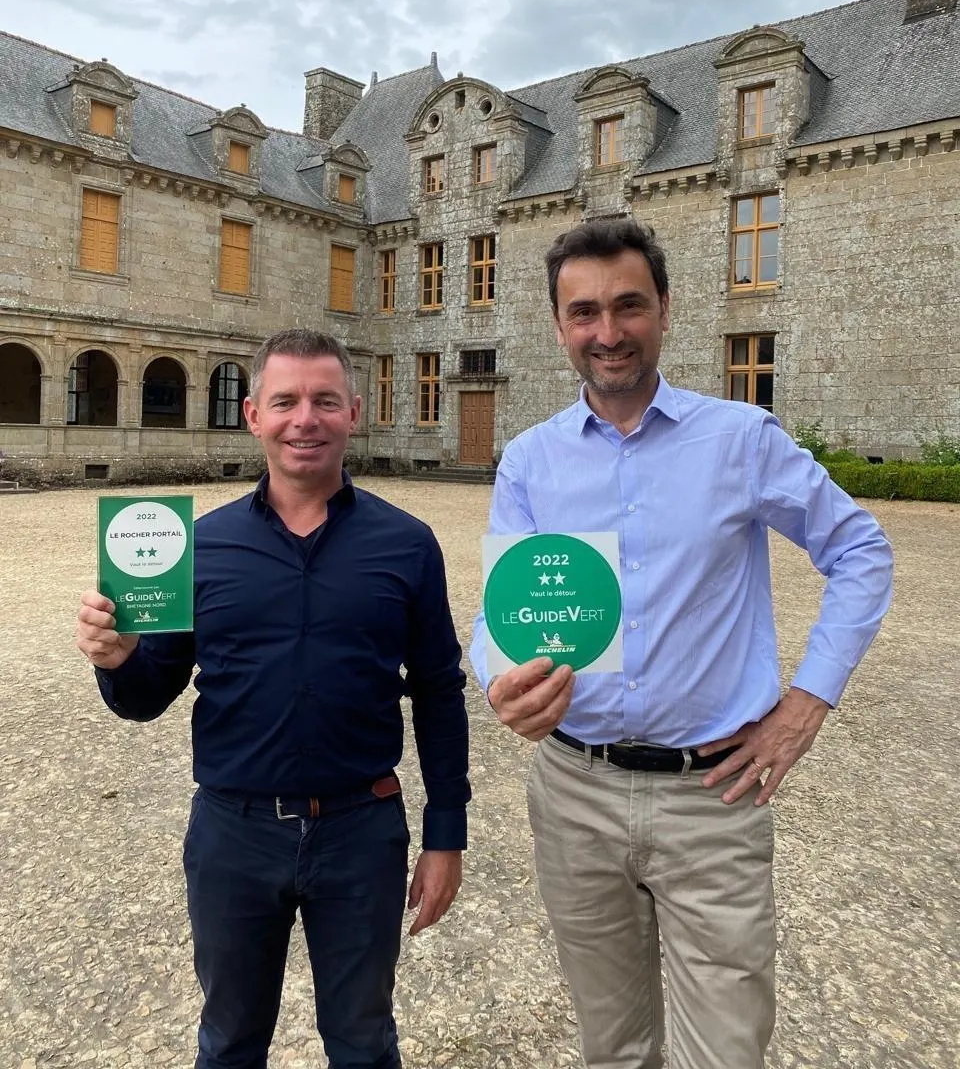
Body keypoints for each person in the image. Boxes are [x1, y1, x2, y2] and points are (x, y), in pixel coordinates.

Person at [470, 218, 893, 1069]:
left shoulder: (738, 439)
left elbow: (861, 551)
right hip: (574, 789)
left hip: (713, 798)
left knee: (726, 1051)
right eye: (583, 312)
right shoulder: (529, 461)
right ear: (558, 326)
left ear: (664, 309)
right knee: (614, 1045)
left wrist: (807, 702)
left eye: (629, 305)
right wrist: (497, 678)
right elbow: (501, 611)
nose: (608, 332)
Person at [76, 328, 470, 1069]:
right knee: (229, 1041)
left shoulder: (408, 543)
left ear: (353, 411)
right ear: (254, 414)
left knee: (362, 1043)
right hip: (233, 833)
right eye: (285, 401)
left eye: (324, 400)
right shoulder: (202, 546)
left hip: (361, 830)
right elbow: (146, 697)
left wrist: (446, 833)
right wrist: (119, 660)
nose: (305, 418)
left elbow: (440, 692)